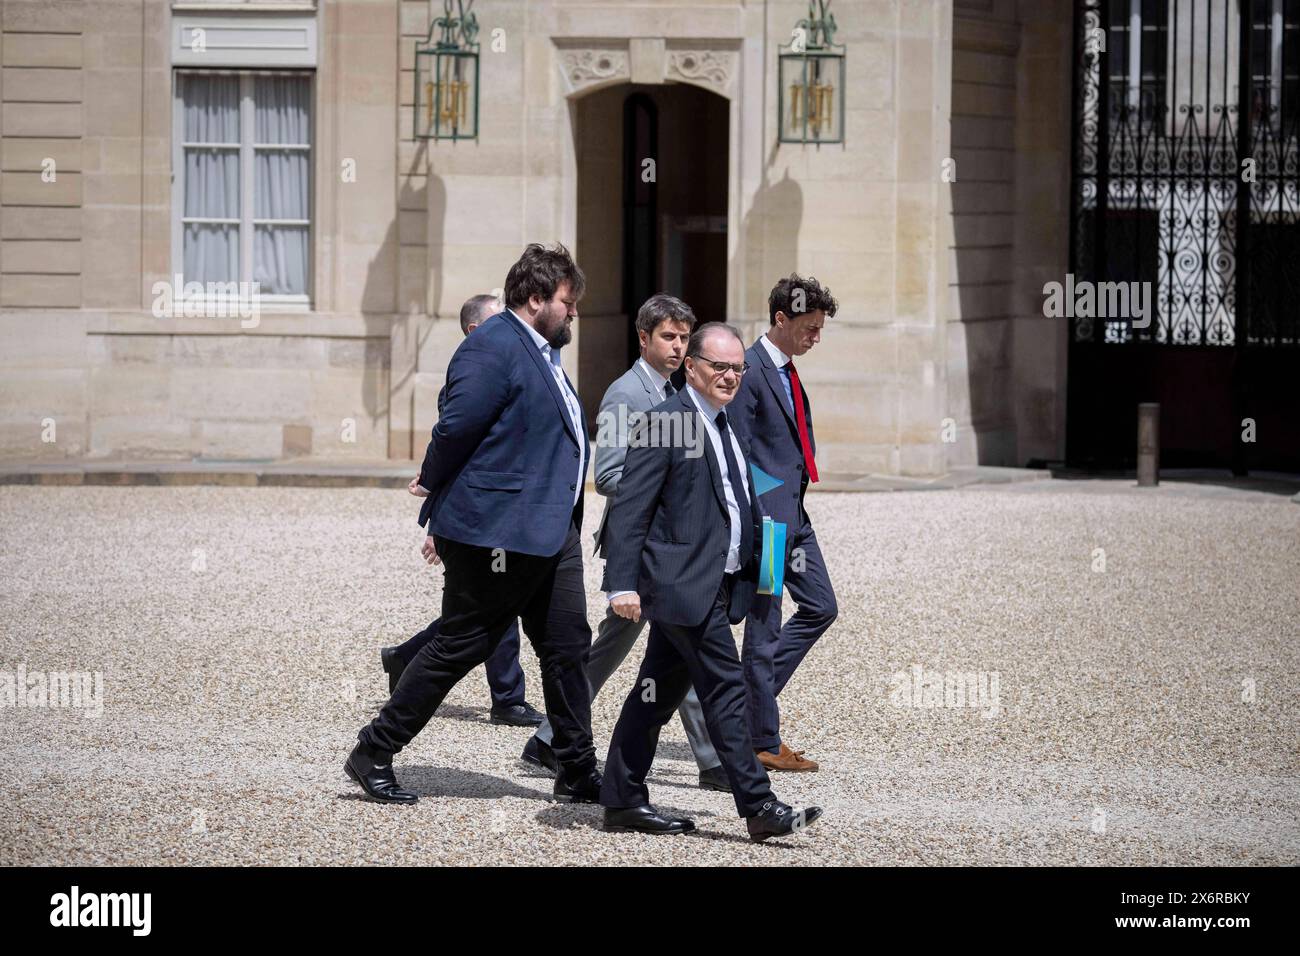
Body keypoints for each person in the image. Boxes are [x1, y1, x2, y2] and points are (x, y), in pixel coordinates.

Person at [344, 243, 599, 805]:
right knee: (462, 643)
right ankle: (374, 750)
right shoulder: (493, 346)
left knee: (566, 646)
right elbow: (456, 427)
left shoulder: (542, 350)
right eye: (568, 301)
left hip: (551, 531)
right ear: (535, 299)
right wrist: (432, 482)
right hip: (495, 532)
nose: (575, 312)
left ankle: (577, 769)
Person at [597, 321, 823, 841]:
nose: (729, 376)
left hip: (718, 583)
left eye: (737, 368)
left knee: (652, 695)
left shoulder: (724, 421)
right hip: (681, 586)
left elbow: (734, 498)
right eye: (718, 366)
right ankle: (760, 807)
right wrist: (621, 584)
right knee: (725, 690)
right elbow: (632, 508)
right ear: (692, 366)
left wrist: (759, 564)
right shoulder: (665, 422)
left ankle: (622, 798)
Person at [523, 294, 730, 791]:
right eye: (668, 336)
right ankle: (711, 760)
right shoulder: (625, 394)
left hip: (667, 546)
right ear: (644, 338)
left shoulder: (678, 391)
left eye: (684, 337)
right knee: (650, 643)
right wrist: (669, 494)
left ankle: (552, 736)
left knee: (668, 643)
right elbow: (609, 471)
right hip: (637, 544)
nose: (678, 346)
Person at [380, 293, 543, 728]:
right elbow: (458, 455)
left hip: (506, 513)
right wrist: (437, 524)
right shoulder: (471, 378)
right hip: (480, 517)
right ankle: (507, 699)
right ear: (476, 331)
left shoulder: (509, 369)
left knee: (480, 612)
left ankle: (405, 656)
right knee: (492, 609)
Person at [729, 274, 840, 773]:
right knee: (764, 628)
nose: (816, 337)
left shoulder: (786, 370)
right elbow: (739, 452)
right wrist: (763, 518)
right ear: (781, 319)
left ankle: (748, 707)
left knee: (821, 606)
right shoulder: (749, 370)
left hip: (795, 520)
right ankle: (762, 739)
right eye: (810, 328)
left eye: (820, 329)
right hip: (770, 527)